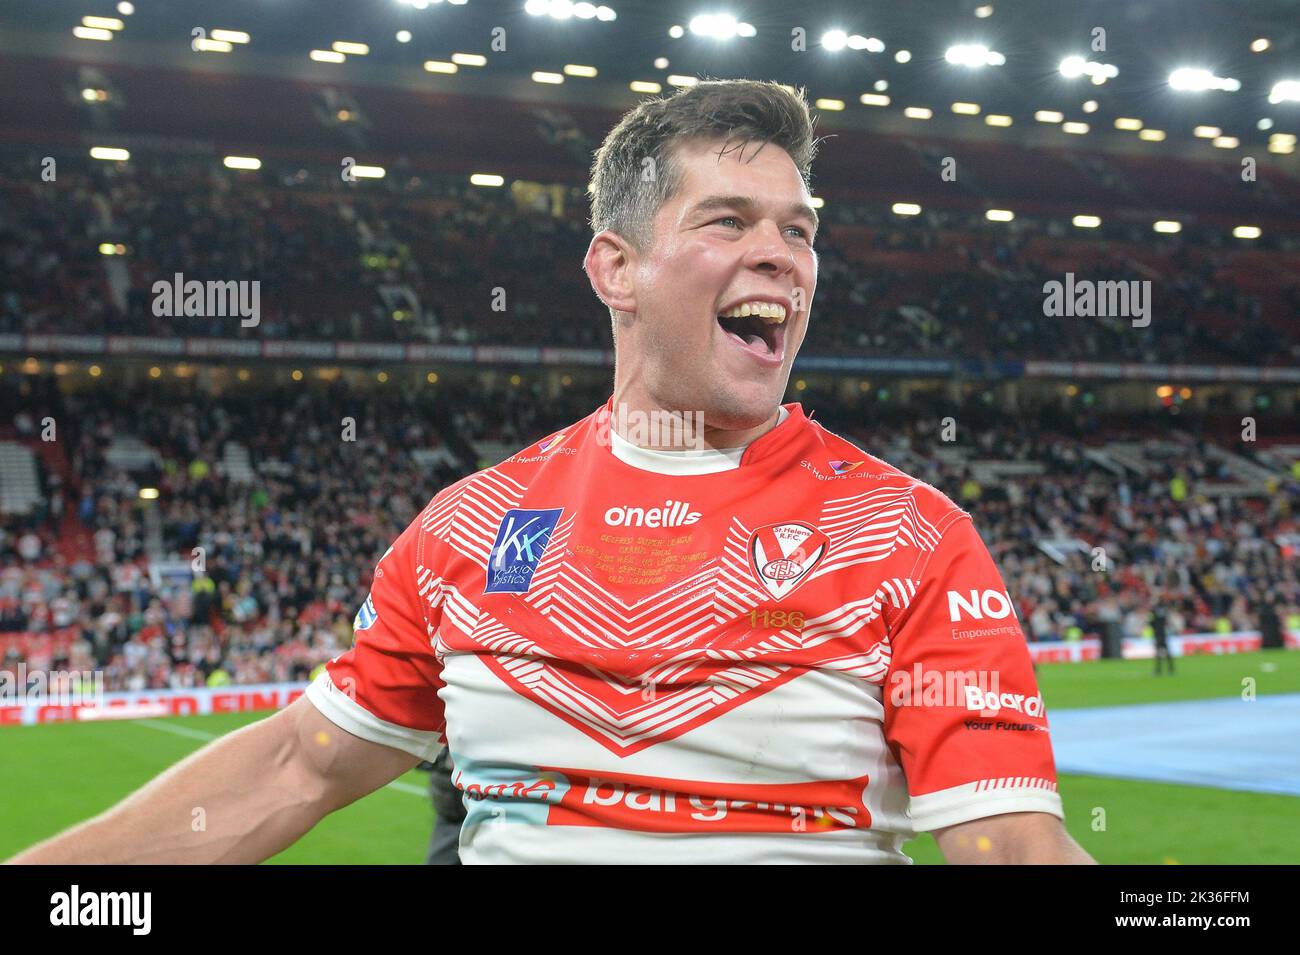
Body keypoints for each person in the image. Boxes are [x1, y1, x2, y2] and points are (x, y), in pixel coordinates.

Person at [8, 80, 1092, 865]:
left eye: (797, 231)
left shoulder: (908, 537)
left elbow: (1008, 845)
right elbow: (301, 766)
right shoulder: (468, 529)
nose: (783, 255)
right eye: (728, 220)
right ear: (613, 267)